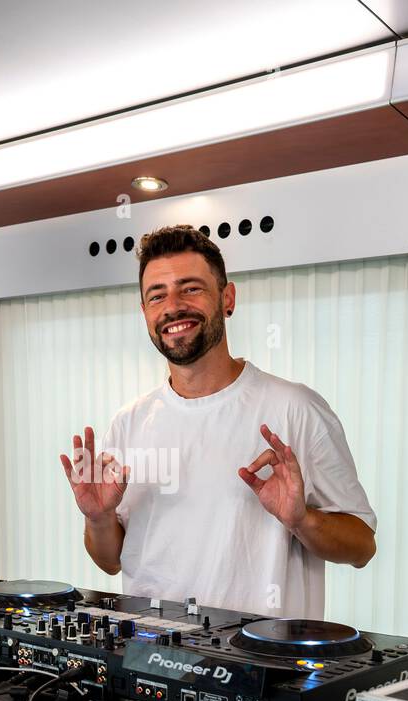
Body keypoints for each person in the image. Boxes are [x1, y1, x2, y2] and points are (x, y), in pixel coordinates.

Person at [59, 224, 375, 619]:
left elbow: (362, 546)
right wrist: (99, 518)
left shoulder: (296, 409)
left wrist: (301, 520)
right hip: (151, 657)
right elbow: (110, 561)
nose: (172, 306)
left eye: (190, 288)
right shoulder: (128, 422)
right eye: (157, 295)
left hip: (263, 664)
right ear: (145, 313)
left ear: (227, 298)